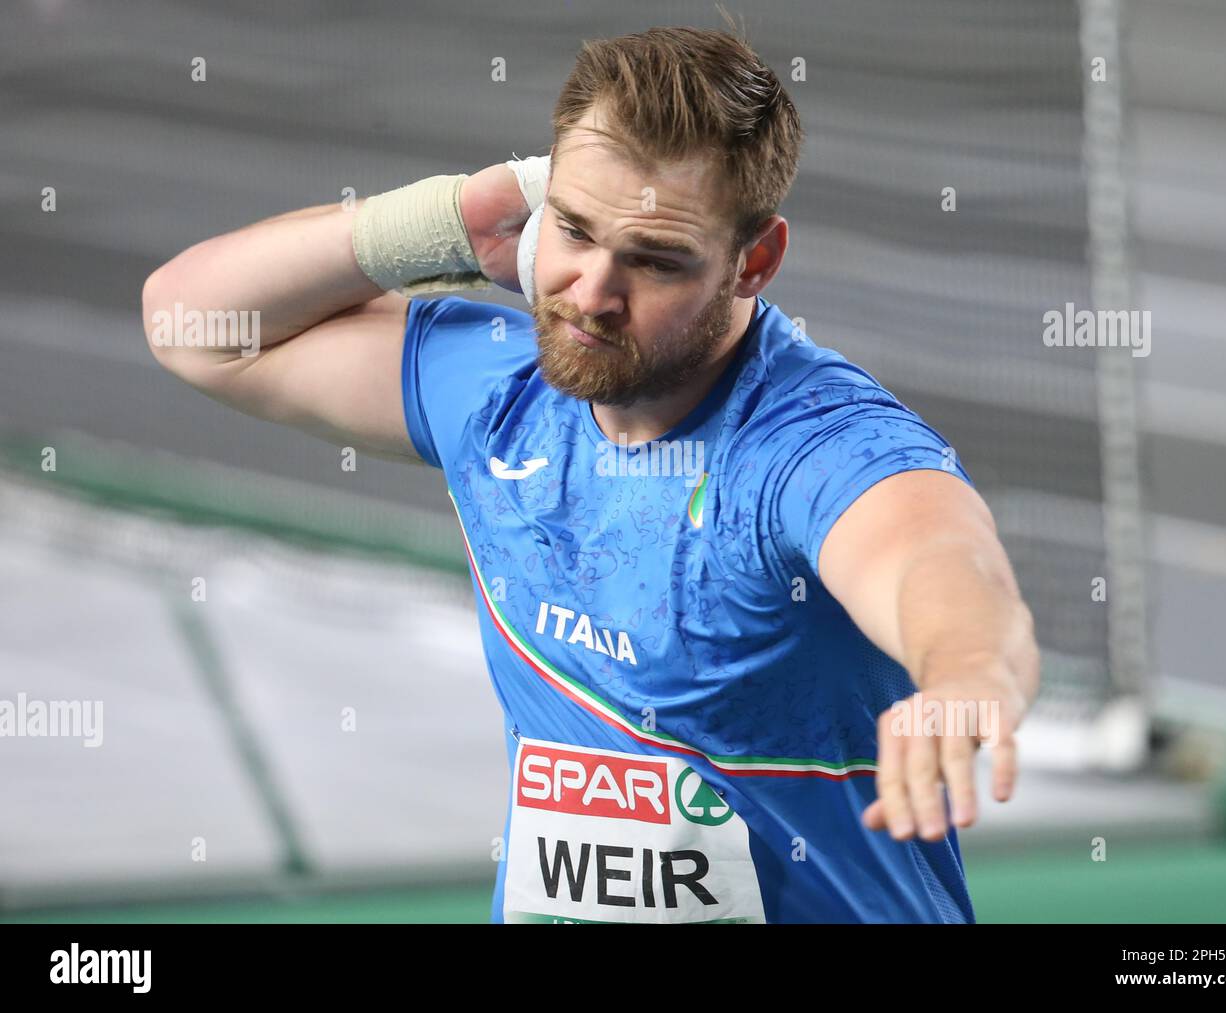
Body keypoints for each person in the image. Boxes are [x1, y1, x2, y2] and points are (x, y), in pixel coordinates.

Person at [142, 25, 1039, 924]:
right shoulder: (500, 394)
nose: (592, 293)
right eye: (574, 229)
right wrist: (443, 218)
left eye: (653, 260)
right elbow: (192, 326)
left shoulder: (811, 445)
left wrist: (965, 677)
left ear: (753, 262)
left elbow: (939, 561)